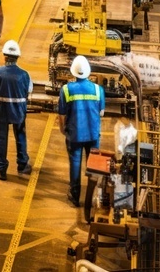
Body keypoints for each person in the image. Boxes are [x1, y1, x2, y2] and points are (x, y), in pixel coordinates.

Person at [58, 55, 106, 207]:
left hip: (75, 134)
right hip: (93, 134)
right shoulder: (98, 90)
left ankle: (75, 195)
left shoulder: (66, 90)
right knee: (93, 165)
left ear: (73, 72)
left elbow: (62, 114)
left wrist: (63, 129)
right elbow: (101, 112)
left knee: (75, 163)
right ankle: (93, 197)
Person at [0, 40, 33, 179]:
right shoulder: (25, 75)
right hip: (19, 112)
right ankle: (23, 166)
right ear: (18, 57)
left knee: (1, 138)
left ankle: (0, 168)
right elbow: (28, 92)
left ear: (5, 57)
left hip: (2, 111)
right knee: (20, 136)